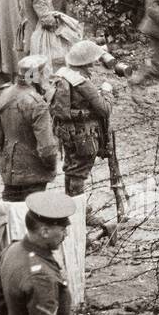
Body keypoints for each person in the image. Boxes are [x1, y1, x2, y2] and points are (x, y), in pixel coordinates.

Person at [0, 54, 58, 202]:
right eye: (43, 72)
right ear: (34, 75)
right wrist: (51, 166)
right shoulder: (37, 103)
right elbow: (47, 148)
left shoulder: (3, 92)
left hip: (7, 163)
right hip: (33, 169)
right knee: (32, 215)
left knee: (11, 212)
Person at [50, 40, 112, 198]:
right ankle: (79, 212)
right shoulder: (82, 82)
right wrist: (107, 92)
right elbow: (104, 109)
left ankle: (69, 203)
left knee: (71, 168)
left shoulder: (61, 75)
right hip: (84, 134)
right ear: (87, 63)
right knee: (79, 172)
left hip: (67, 132)